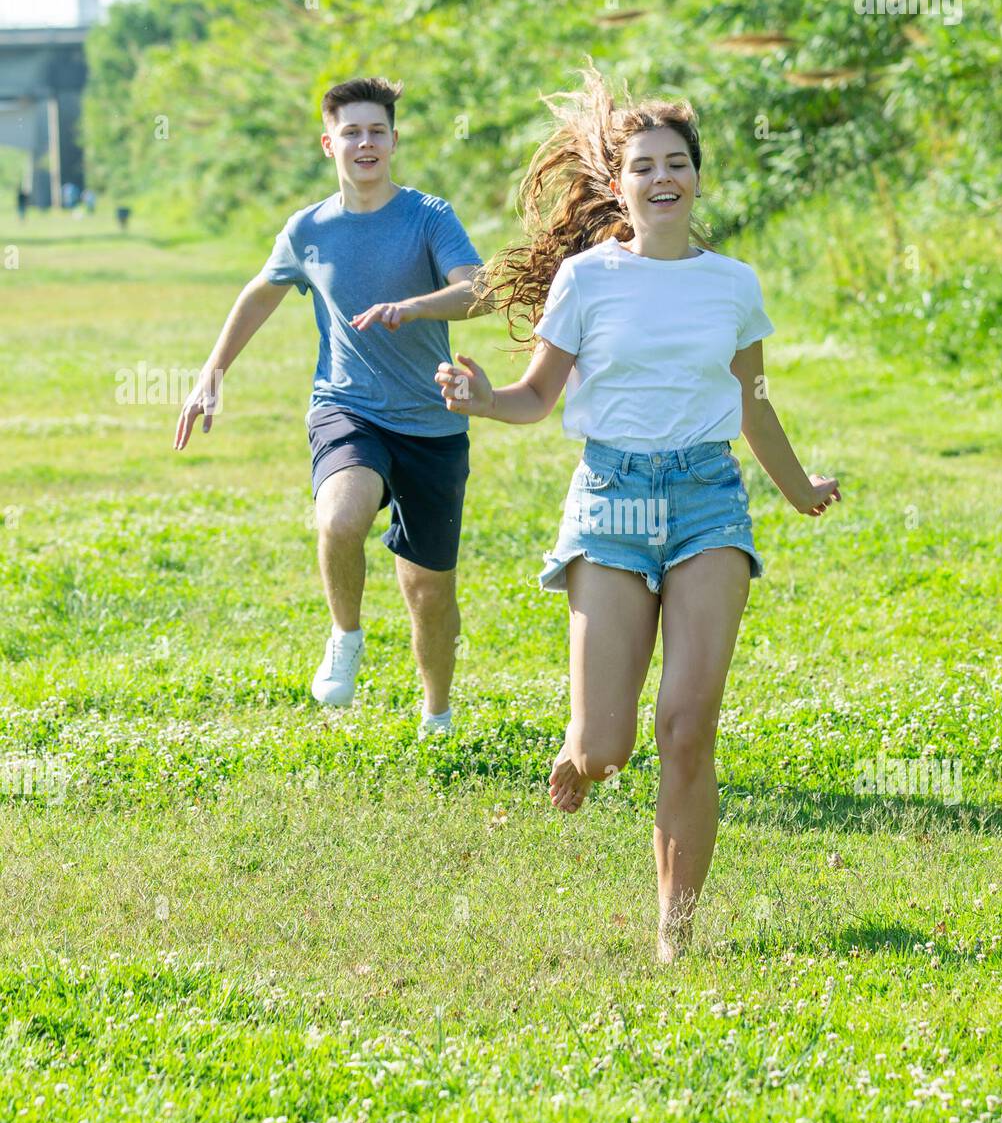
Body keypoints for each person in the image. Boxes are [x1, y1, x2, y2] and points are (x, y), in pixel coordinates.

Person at [435, 63, 841, 961]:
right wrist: (477, 396)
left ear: (697, 177)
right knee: (611, 745)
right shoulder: (587, 280)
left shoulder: (733, 284)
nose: (663, 179)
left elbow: (755, 402)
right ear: (618, 187)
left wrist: (798, 487)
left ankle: (675, 929)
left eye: (677, 164)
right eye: (645, 166)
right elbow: (536, 398)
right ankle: (579, 755)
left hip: (707, 502)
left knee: (687, 727)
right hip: (611, 501)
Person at [174, 76, 489, 734]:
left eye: (377, 130)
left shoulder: (430, 216)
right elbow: (262, 292)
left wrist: (413, 306)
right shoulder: (308, 229)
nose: (365, 142)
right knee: (340, 521)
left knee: (428, 592)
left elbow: (477, 292)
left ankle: (436, 711)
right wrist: (212, 371)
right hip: (347, 407)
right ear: (329, 144)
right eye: (351, 132)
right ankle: (345, 635)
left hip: (431, 423)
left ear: (394, 141)